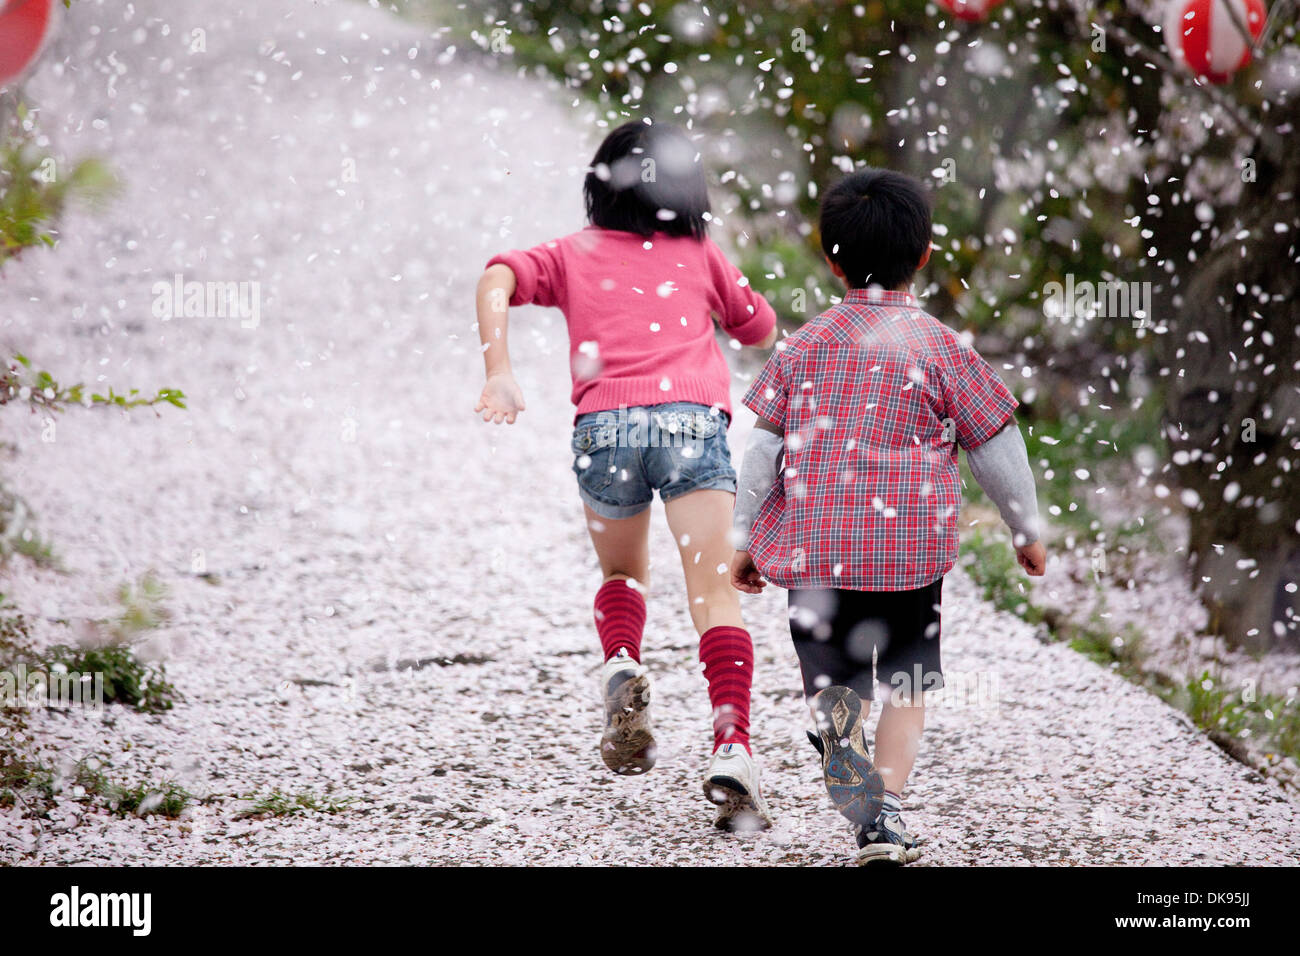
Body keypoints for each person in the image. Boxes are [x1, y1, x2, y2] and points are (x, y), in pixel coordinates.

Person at [730, 167, 1046, 863]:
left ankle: (841, 736)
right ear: (925, 254)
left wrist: (744, 536)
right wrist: (1026, 526)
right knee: (906, 680)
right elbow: (995, 442)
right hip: (909, 553)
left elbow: (762, 451)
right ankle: (884, 814)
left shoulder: (803, 347)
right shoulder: (940, 348)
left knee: (837, 680)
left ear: (828, 255)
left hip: (816, 550)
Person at [475, 120, 778, 831]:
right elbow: (757, 329)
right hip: (689, 425)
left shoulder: (572, 253)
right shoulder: (700, 252)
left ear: (598, 187)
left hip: (604, 429)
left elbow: (498, 275)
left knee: (623, 576)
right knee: (713, 592)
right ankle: (732, 744)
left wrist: (500, 371)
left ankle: (620, 660)